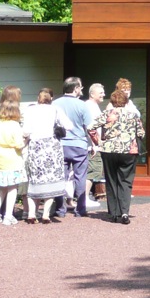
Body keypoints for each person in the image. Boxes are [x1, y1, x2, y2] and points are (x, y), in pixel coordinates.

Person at [21, 88, 73, 223]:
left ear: (38, 98)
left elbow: (25, 131)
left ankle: (31, 214)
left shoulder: (30, 110)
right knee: (51, 180)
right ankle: (45, 214)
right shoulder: (55, 109)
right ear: (51, 98)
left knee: (35, 179)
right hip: (51, 146)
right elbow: (69, 126)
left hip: (36, 147)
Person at [53, 77, 100, 219]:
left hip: (60, 145)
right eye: (80, 87)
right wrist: (95, 144)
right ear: (75, 89)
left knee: (61, 177)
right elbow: (90, 127)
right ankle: (80, 209)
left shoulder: (55, 104)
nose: (82, 89)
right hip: (79, 145)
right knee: (80, 177)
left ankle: (60, 209)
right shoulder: (82, 105)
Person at [102, 88, 145, 224]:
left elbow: (91, 127)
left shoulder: (107, 113)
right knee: (126, 181)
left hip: (109, 150)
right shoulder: (133, 115)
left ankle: (114, 213)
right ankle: (125, 212)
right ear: (126, 101)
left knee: (112, 180)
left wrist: (100, 140)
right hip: (129, 151)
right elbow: (141, 133)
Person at [0, 98, 27, 225]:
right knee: (12, 188)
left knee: (1, 187)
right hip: (13, 158)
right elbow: (19, 145)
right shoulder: (15, 125)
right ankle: (8, 216)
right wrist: (27, 141)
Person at [85, 82, 107, 209]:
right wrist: (96, 143)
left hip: (92, 144)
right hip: (92, 145)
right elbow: (90, 128)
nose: (103, 95)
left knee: (92, 171)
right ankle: (85, 198)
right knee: (92, 172)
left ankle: (84, 197)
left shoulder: (93, 106)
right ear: (92, 94)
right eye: (101, 93)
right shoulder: (90, 107)